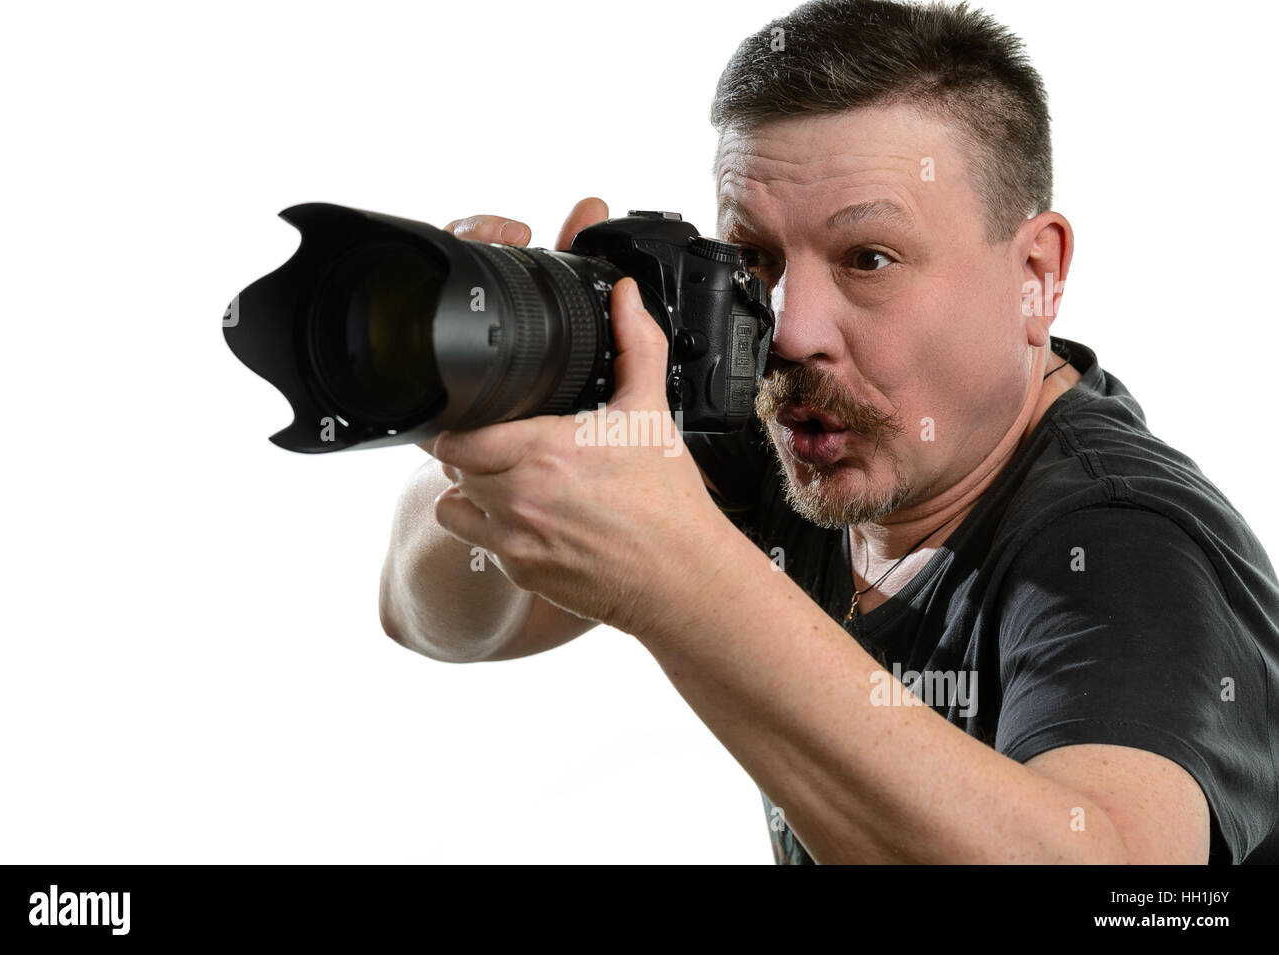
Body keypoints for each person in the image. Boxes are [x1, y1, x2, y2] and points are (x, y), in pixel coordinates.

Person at [378, 0, 1279, 864]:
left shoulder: (1124, 547)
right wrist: (513, 405)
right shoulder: (789, 418)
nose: (793, 327)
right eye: (758, 261)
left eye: (868, 259)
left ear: (1035, 274)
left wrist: (683, 577)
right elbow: (432, 616)